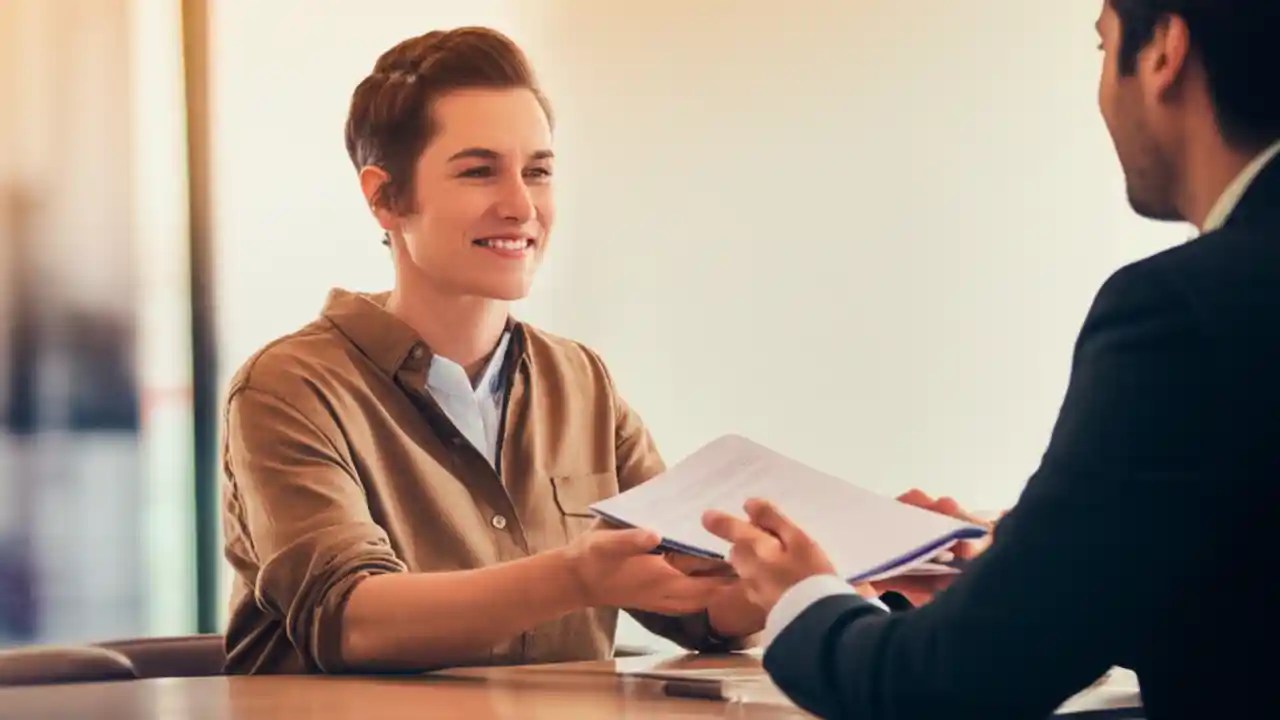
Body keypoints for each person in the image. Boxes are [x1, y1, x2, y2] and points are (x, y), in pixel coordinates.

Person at [704, 1, 1280, 717]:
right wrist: (1038, 569)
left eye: (1102, 49)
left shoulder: (1180, 311)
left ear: (1163, 51)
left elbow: (950, 686)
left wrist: (807, 597)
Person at [219, 27, 767, 674]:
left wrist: (798, 583)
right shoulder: (289, 386)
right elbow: (348, 622)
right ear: (383, 198)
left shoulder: (580, 380)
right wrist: (574, 579)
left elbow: (693, 607)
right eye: (479, 172)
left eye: (537, 171)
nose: (520, 205)